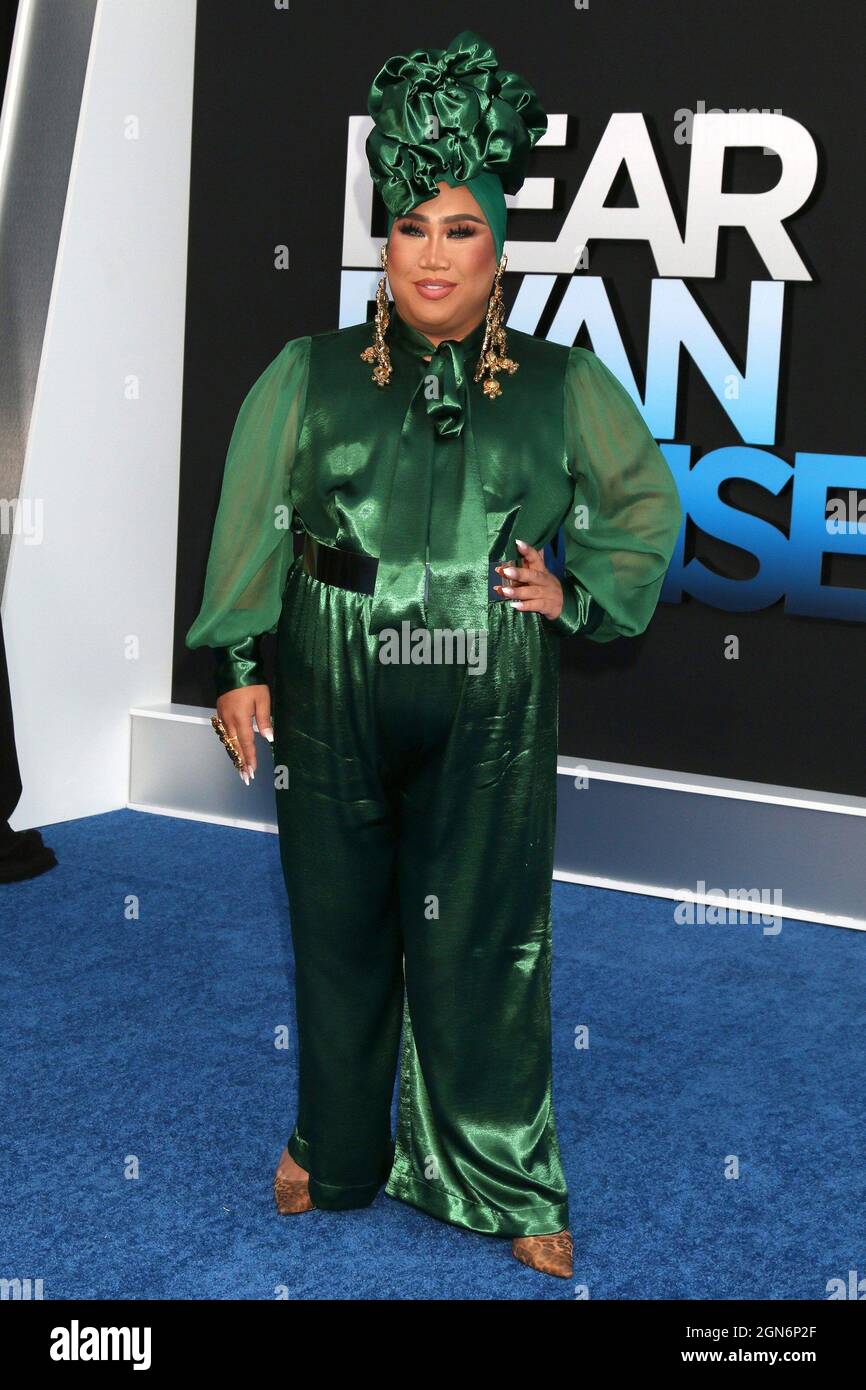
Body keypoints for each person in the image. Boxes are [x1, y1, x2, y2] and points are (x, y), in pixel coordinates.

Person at [185, 29, 684, 1280]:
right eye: (410, 226)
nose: (431, 255)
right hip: (331, 668)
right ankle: (336, 1144)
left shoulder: (565, 382)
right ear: (383, 243)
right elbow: (250, 527)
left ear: (497, 245)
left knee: (484, 936)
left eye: (458, 228)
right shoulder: (302, 376)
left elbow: (640, 511)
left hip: (487, 683)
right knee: (337, 923)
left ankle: (501, 1172)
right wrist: (241, 663)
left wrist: (574, 598)